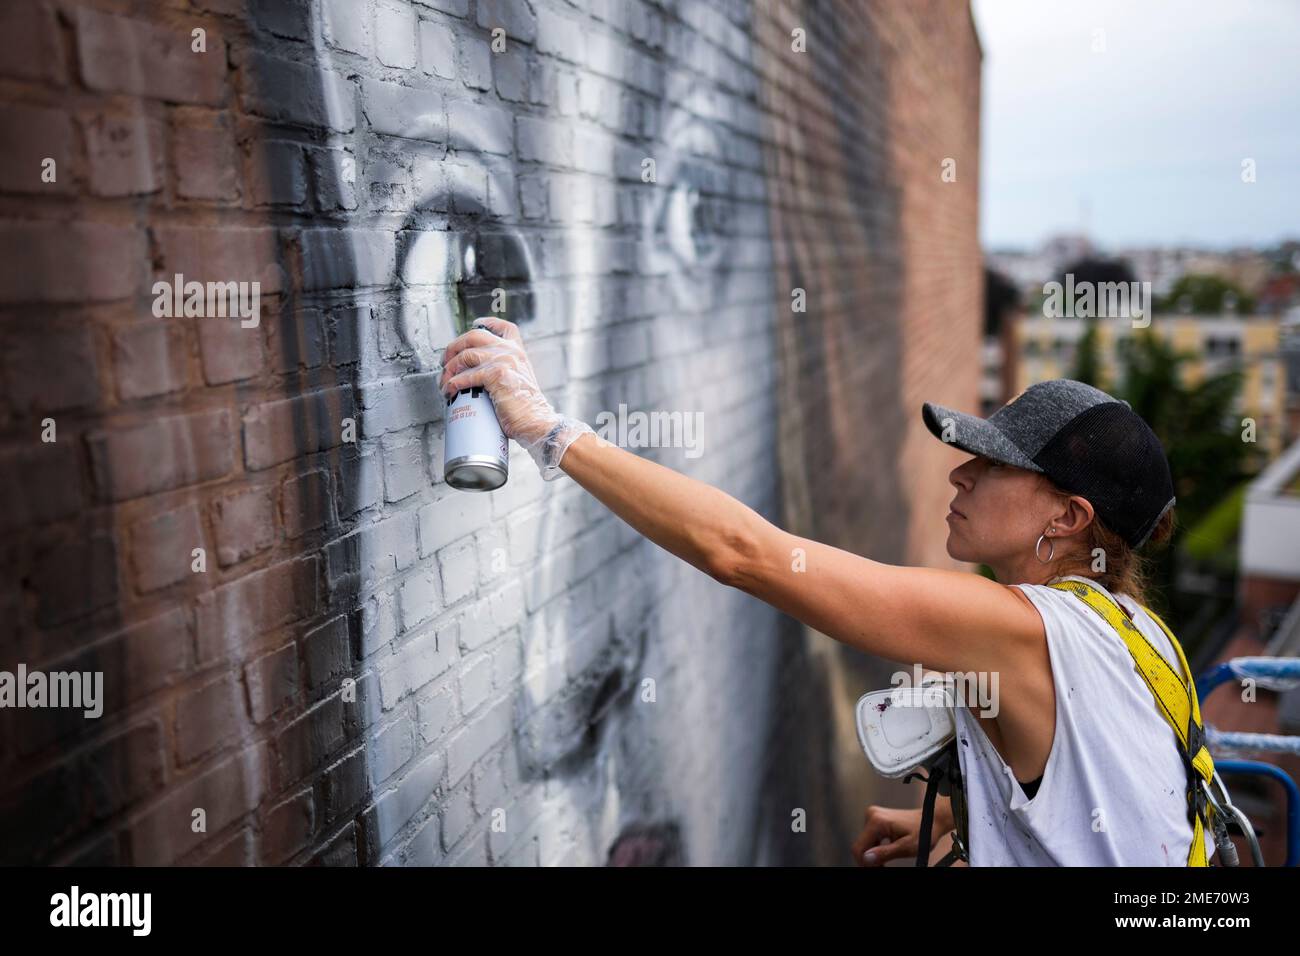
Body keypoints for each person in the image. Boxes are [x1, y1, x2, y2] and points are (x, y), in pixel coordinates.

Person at [439, 316, 1207, 867]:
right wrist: (959, 826)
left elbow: (745, 555)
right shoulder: (1141, 634)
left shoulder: (1022, 631)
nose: (959, 472)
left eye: (996, 465)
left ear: (1069, 518)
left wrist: (548, 430)